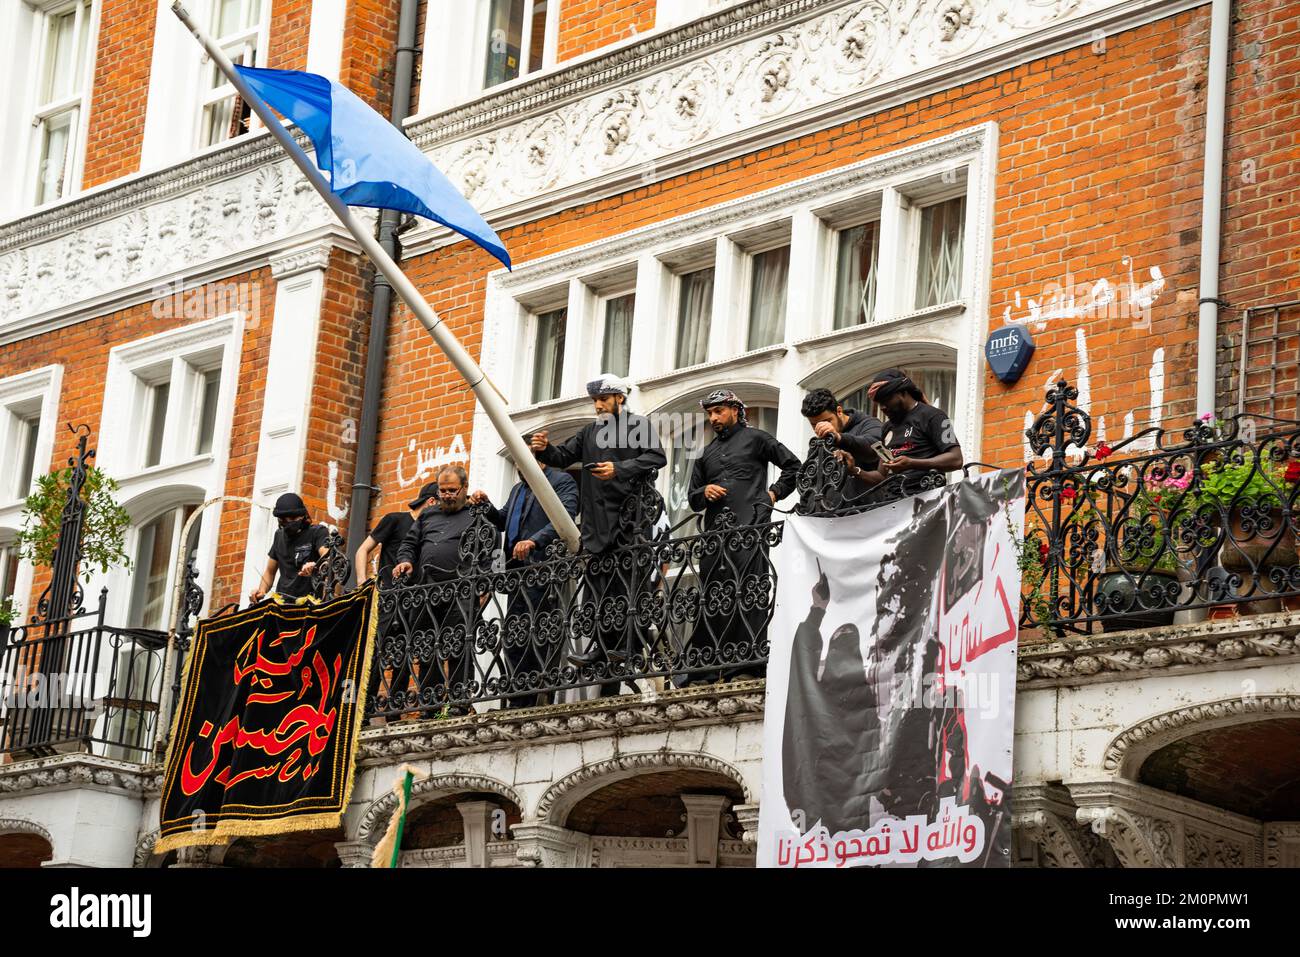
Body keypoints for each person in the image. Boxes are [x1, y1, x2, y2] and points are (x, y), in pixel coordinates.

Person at [530, 373, 666, 695]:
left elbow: (657, 457)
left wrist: (619, 469)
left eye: (603, 399)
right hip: (596, 527)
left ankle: (628, 649)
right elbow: (563, 457)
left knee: (627, 591)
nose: (598, 406)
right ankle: (601, 649)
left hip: (630, 524)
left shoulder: (637, 426)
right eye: (595, 401)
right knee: (599, 595)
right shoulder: (590, 432)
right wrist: (545, 449)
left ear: (619, 398)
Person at [684, 388, 800, 684]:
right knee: (713, 595)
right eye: (710, 413)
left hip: (750, 528)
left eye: (719, 411)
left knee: (747, 591)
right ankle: (706, 669)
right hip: (715, 536)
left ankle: (744, 666)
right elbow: (692, 497)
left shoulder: (757, 438)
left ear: (735, 410)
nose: (713, 418)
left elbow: (793, 467)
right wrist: (704, 492)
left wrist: (772, 496)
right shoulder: (705, 454)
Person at [469, 459, 579, 708]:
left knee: (540, 634)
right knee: (515, 635)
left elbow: (564, 517)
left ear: (540, 459)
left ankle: (539, 696)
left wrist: (535, 541)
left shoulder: (561, 481)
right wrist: (486, 506)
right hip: (517, 574)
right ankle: (518, 697)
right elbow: (503, 519)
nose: (519, 466)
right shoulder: (518, 489)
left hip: (545, 570)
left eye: (524, 459)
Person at [391, 465, 499, 716]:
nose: (447, 495)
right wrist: (405, 560)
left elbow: (490, 548)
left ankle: (460, 704)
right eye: (443, 490)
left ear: (464, 488)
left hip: (461, 590)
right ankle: (431, 705)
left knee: (458, 645)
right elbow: (409, 543)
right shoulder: (428, 515)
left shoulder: (477, 515)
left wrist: (484, 584)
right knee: (427, 646)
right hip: (427, 588)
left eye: (452, 490)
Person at [864, 368, 964, 497]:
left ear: (903, 393)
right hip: (892, 503)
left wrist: (911, 463)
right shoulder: (887, 427)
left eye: (886, 400)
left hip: (925, 499)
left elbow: (956, 459)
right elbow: (881, 475)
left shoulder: (933, 416)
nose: (882, 407)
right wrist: (854, 470)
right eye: (879, 403)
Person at [799, 388, 885, 506]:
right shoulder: (818, 442)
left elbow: (875, 448)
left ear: (839, 411)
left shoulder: (868, 424)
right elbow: (809, 480)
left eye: (827, 421)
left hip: (863, 512)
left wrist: (839, 438)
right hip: (826, 516)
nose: (821, 428)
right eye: (814, 425)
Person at [249, 493, 331, 602]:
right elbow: (270, 571)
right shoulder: (279, 536)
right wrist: (261, 591)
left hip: (310, 601)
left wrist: (316, 566)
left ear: (302, 515)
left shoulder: (317, 532)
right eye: (283, 520)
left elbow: (329, 559)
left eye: (292, 518)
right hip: (282, 603)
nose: (288, 522)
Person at [354, 481, 437, 585]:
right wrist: (361, 581)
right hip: (388, 593)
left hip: (415, 595)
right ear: (432, 501)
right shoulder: (395, 519)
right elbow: (363, 549)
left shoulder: (430, 530)